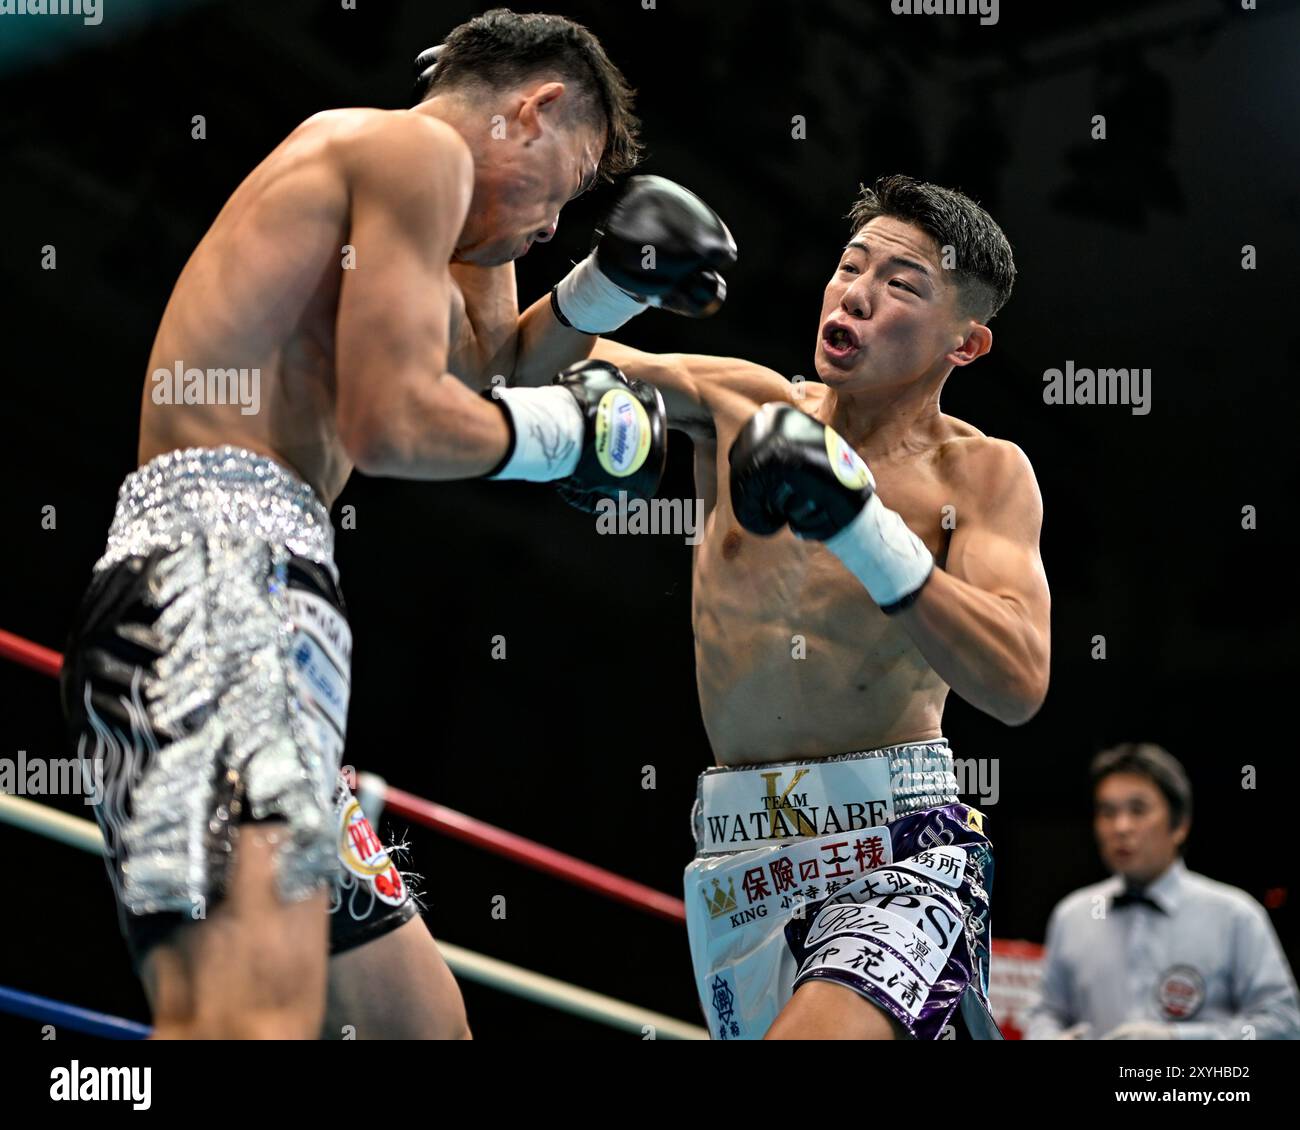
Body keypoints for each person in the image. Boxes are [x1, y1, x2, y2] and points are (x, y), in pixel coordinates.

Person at [59, 8, 734, 1040]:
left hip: (253, 595)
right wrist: (575, 434)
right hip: (219, 582)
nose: (557, 223)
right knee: (246, 1014)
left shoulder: (420, 192)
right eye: (571, 176)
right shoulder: (412, 147)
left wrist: (605, 292)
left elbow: (483, 373)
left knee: (417, 1023)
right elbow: (396, 419)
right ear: (534, 108)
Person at [566, 173, 1048, 1038]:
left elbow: (1018, 679)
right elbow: (505, 356)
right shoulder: (741, 405)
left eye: (901, 286)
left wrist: (863, 528)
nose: (858, 294)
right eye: (850, 267)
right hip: (737, 853)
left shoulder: (980, 475)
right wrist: (602, 285)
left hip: (899, 845)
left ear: (965, 345)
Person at [1026, 742, 1300, 1040]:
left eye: (1138, 810)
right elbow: (1045, 1013)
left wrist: (1178, 1038)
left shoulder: (1236, 915)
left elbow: (1284, 1024)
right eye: (1107, 812)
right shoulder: (1072, 915)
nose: (1120, 827)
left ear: (1179, 824)